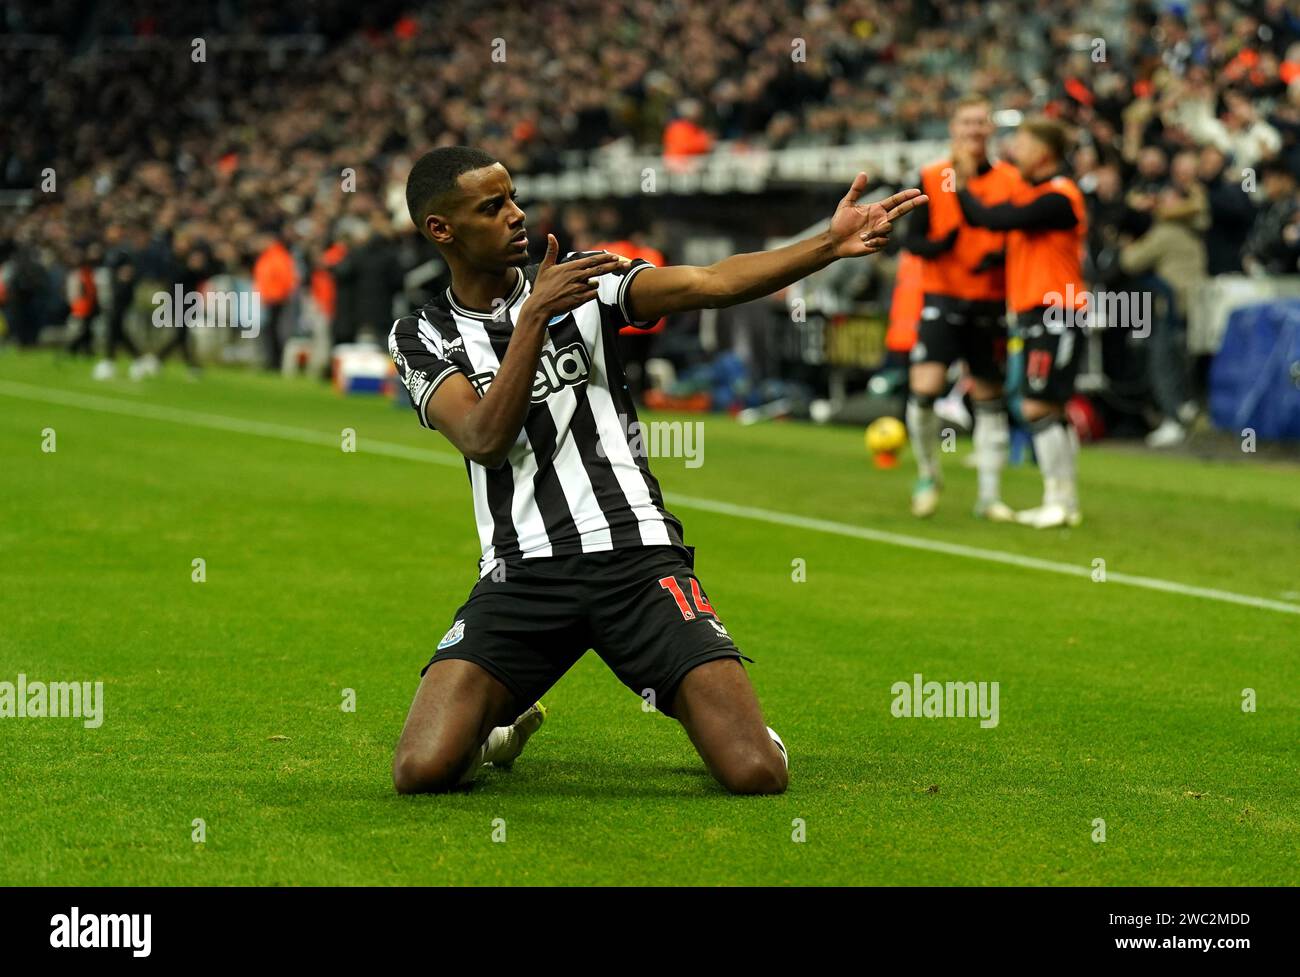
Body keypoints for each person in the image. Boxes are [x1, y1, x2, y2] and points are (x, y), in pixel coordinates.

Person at [387, 146, 924, 794]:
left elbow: (712, 282)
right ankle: (498, 721)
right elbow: (483, 438)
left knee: (756, 773)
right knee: (422, 769)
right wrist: (533, 318)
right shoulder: (420, 334)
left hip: (638, 559)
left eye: (513, 197)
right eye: (492, 206)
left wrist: (826, 246)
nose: (517, 215)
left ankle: (743, 723)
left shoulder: (588, 284)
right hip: (522, 572)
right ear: (441, 229)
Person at [956, 119, 1088, 529]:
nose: (1014, 151)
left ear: (1045, 153)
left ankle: (1058, 500)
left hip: (1055, 313)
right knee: (1051, 409)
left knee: (1036, 405)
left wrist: (961, 183)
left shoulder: (1059, 197)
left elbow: (989, 218)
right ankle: (1064, 501)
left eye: (1022, 144)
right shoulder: (1038, 202)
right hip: (1039, 315)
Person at [902, 95, 1021, 521]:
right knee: (924, 391)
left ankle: (989, 496)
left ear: (990, 130)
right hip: (942, 299)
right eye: (966, 123)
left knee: (990, 397)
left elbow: (1019, 235)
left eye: (980, 123)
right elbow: (910, 239)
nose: (973, 131)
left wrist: (1000, 257)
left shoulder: (1009, 178)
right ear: (954, 129)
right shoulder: (935, 177)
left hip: (989, 302)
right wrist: (938, 246)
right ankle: (928, 474)